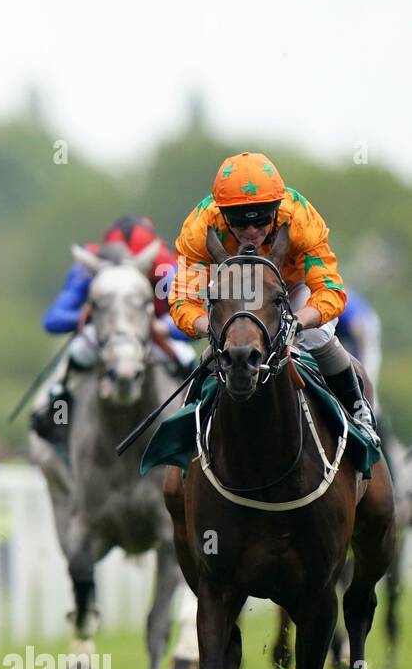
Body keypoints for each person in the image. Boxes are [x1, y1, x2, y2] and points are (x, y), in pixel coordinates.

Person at [169, 151, 380, 447]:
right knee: (217, 351)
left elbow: (330, 290)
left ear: (277, 209)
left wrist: (298, 320)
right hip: (235, 294)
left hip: (290, 289)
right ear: (222, 214)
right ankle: (185, 439)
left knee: (318, 336)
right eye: (240, 224)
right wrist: (214, 328)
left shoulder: (300, 217)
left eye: (262, 221)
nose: (252, 233)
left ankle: (361, 416)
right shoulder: (199, 226)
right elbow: (183, 303)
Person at [31, 215, 195, 443]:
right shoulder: (89, 268)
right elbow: (53, 319)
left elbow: (193, 321)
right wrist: (93, 316)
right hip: (104, 334)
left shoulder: (166, 269)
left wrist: (162, 326)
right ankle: (58, 421)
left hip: (151, 334)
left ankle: (197, 423)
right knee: (72, 361)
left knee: (189, 361)